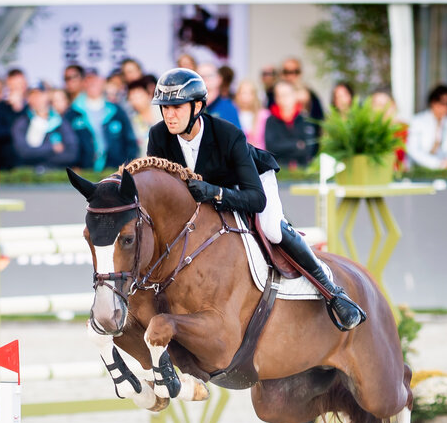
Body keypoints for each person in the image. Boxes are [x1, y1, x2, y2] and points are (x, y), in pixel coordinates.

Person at [147, 68, 364, 330]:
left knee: (272, 229)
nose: (169, 115)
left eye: (177, 107)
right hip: (203, 194)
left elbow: (255, 199)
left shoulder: (228, 135)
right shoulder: (158, 136)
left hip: (251, 182)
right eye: (164, 107)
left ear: (197, 107)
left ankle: (333, 294)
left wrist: (215, 193)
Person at [66, 68, 138, 171]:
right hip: (84, 172)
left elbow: (130, 142)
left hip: (115, 171)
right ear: (84, 83)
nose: (93, 84)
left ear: (102, 82)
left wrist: (127, 167)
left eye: (96, 80)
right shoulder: (72, 113)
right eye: (89, 80)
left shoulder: (117, 111)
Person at [11, 84, 79, 169]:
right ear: (29, 99)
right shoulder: (22, 123)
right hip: (29, 176)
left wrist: (40, 160)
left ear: (47, 97)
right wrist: (52, 148)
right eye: (34, 95)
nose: (38, 99)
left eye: (41, 95)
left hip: (56, 174)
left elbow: (71, 154)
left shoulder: (60, 122)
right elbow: (23, 153)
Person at [264, 79, 318, 168]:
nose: (283, 98)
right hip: (280, 170)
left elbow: (309, 149)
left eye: (286, 94)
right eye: (279, 95)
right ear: (276, 98)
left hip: (303, 169)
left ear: (294, 95)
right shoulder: (271, 120)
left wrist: (284, 146)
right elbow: (271, 147)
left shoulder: (305, 119)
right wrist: (296, 144)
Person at [407, 84, 447, 169]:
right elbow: (413, 150)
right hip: (418, 172)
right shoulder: (417, 122)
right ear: (433, 102)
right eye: (442, 103)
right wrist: (437, 164)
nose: (445, 107)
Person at [0, 68, 28, 169]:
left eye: (19, 86)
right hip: (5, 163)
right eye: (12, 87)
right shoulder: (1, 107)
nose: (16, 89)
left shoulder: (31, 107)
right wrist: (15, 111)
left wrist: (19, 109)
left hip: (27, 163)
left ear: (25, 85)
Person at [275, 57, 325, 122]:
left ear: (300, 73)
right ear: (281, 74)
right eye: (286, 72)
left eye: (295, 72)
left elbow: (319, 119)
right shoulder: (273, 94)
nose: (290, 76)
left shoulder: (310, 95)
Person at [370, 90, 407, 170]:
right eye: (376, 105)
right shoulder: (368, 133)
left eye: (385, 105)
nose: (381, 109)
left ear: (394, 106)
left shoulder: (404, 130)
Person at [198, 62, 240, 128]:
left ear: (219, 79)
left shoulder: (228, 107)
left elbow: (236, 136)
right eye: (201, 76)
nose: (205, 79)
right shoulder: (192, 106)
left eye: (210, 75)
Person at [126, 78, 161, 157]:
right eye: (132, 98)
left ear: (148, 95)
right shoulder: (132, 120)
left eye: (138, 97)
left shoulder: (162, 111)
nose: (136, 101)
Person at [234, 79, 269, 149]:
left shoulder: (264, 115)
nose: (245, 97)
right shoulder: (233, 113)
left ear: (255, 95)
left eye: (249, 93)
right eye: (242, 93)